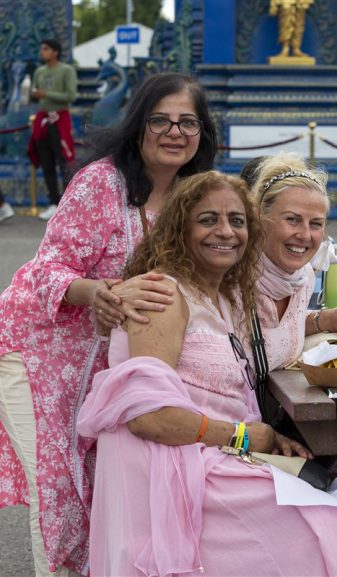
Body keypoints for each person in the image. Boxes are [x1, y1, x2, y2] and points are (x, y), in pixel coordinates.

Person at [76, 170, 337, 576]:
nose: (225, 232)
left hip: (206, 453)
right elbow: (149, 418)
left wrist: (321, 320)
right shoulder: (162, 295)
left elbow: (270, 340)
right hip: (167, 472)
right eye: (208, 220)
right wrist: (246, 436)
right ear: (179, 228)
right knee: (323, 523)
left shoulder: (221, 295)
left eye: (237, 221)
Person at [0, 73, 217, 576]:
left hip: (109, 369)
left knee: (102, 493)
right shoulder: (102, 182)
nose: (174, 132)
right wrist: (95, 291)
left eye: (188, 122)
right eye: (159, 120)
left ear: (203, 133)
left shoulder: (195, 194)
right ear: (137, 125)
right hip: (36, 355)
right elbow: (49, 267)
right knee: (58, 493)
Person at [250, 153, 337, 370]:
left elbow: (280, 329)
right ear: (260, 218)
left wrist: (325, 319)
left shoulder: (304, 275)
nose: (305, 234)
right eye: (292, 219)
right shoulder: (230, 278)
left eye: (316, 224)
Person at [27, 38, 78, 222]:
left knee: (64, 162)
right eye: (42, 48)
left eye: (46, 49)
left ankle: (68, 204)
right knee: (46, 162)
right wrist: (33, 94)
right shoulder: (39, 71)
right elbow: (35, 95)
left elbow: (71, 95)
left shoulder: (67, 70)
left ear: (55, 52)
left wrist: (45, 94)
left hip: (60, 119)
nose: (42, 52)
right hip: (42, 119)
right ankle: (53, 203)